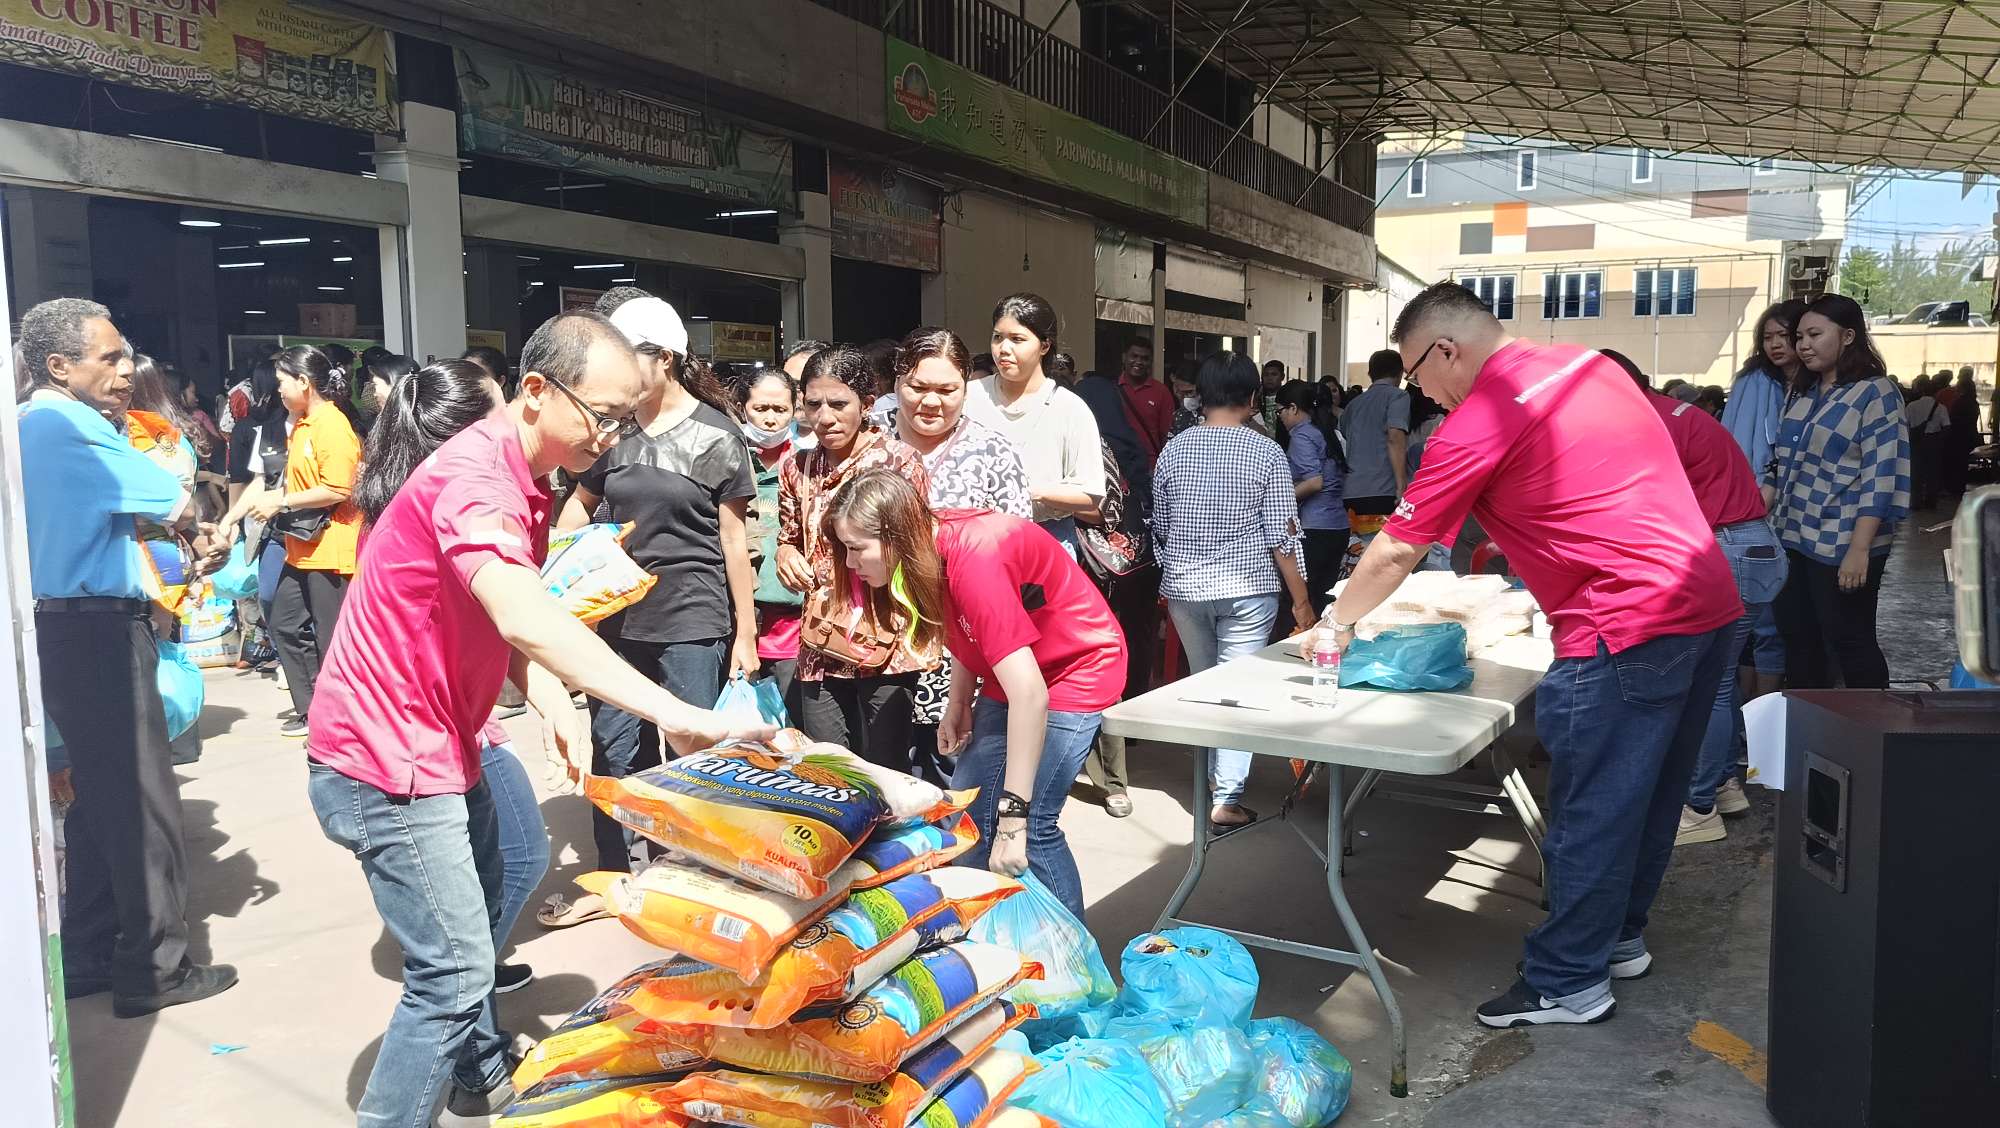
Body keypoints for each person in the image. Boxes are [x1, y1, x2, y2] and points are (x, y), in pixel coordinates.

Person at [306, 310, 773, 1125]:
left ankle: (478, 1069)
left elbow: (496, 618)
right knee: (453, 974)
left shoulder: (523, 477)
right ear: (535, 391)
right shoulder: (477, 480)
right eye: (603, 416)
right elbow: (522, 613)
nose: (613, 436)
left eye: (625, 418)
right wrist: (676, 712)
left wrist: (554, 697)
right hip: (388, 758)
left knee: (503, 882)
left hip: (439, 741)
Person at [1325, 282, 1741, 1028]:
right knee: (1648, 796)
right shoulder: (1591, 367)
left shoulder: (1480, 419)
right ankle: (1618, 939)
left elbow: (1394, 551)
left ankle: (1567, 979)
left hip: (1620, 623)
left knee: (1593, 809)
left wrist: (1335, 624)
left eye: (1417, 376)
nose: (1424, 395)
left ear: (1445, 350)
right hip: (1704, 598)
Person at [17, 297, 236, 1016]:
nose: (125, 370)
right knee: (143, 806)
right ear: (59, 366)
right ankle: (155, 969)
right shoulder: (67, 426)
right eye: (109, 358)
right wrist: (194, 525)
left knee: (100, 801)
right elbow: (168, 494)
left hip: (70, 629)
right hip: (98, 634)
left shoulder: (32, 424)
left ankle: (87, 952)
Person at [825, 469, 1125, 920]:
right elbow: (968, 626)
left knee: (1030, 827)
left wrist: (1013, 821)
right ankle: (981, 932)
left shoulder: (975, 558)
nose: (850, 563)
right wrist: (959, 701)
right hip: (1016, 672)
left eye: (855, 548)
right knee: (968, 815)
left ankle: (1073, 952)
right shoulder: (925, 547)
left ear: (894, 536)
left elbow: (1031, 695)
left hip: (1074, 668)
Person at [352, 357, 551, 994]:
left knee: (496, 866)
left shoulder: (415, 502)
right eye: (501, 412)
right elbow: (512, 619)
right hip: (427, 729)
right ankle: (466, 983)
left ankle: (470, 992)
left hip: (447, 719)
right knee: (519, 856)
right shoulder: (454, 503)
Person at [556, 296, 758, 889]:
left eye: (628, 359)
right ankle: (617, 872)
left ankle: (695, 871)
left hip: (692, 618)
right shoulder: (611, 432)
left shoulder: (717, 437)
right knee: (613, 744)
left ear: (665, 358)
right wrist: (565, 559)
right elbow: (579, 504)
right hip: (617, 619)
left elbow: (733, 541)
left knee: (691, 749)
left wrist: (745, 633)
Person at [1602, 349, 1788, 847]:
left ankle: (1698, 806)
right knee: (1719, 679)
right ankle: (1723, 785)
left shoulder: (1648, 425)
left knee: (1707, 685)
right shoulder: (1675, 413)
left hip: (1729, 550)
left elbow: (1639, 509)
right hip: (1751, 545)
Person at [1153, 352, 1313, 833]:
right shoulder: (1267, 453)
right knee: (1235, 692)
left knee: (1204, 684)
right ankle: (1225, 797)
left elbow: (1160, 526)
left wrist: (1177, 567)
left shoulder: (1173, 450)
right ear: (1252, 397)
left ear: (1201, 396)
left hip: (1185, 588)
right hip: (1247, 589)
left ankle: (1210, 781)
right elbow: (1283, 537)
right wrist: (1302, 603)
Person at [876, 327, 1032, 782]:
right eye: (918, 387)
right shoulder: (869, 443)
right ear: (897, 381)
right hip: (875, 642)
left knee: (953, 781)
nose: (931, 402)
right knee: (881, 780)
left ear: (966, 387)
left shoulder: (993, 452)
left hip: (959, 650)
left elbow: (1015, 554)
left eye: (947, 390)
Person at [777, 345, 932, 767]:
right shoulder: (796, 467)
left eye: (838, 404)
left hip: (885, 643)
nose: (825, 417)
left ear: (866, 404)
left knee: (886, 767)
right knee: (828, 768)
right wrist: (785, 553)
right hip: (820, 639)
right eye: (813, 404)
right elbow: (790, 535)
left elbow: (915, 550)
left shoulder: (900, 463)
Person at [1767, 294, 1910, 691]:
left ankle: (1870, 722)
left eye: (1814, 335)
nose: (1803, 345)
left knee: (1850, 641)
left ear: (1848, 336)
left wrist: (1860, 549)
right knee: (1799, 640)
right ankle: (1807, 723)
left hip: (1843, 541)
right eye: (1799, 337)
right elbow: (1779, 462)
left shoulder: (1875, 392)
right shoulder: (1802, 391)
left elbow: (1882, 474)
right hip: (1793, 536)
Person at [241, 346, 363, 738]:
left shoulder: (332, 425)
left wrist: (282, 501)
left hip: (330, 547)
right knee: (284, 623)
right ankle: (313, 710)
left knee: (331, 638)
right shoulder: (304, 423)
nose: (278, 390)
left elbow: (339, 488)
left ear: (304, 382)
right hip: (301, 545)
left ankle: (340, 721)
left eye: (282, 382)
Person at [963, 293, 1105, 556]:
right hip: (974, 539)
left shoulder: (1069, 409)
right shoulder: (969, 397)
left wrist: (1026, 491)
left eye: (1017, 339)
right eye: (997, 337)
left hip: (1048, 539)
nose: (1004, 348)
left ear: (1044, 346)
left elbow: (1091, 494)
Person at [1721, 299, 1805, 702]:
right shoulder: (1753, 381)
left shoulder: (1815, 387)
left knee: (1778, 619)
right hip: (1753, 507)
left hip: (1800, 514)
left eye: (1783, 336)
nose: (1775, 344)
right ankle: (1748, 711)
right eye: (1768, 336)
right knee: (1756, 615)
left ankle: (1763, 709)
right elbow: (1735, 443)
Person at [737, 365, 809, 718]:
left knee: (794, 725)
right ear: (743, 408)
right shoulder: (729, 458)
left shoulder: (806, 463)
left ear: (794, 409)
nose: (769, 419)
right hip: (739, 619)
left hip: (794, 624)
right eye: (760, 408)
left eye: (780, 409)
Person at [1276, 380, 1350, 616]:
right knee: (1323, 600)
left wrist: (1278, 501)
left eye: (1280, 411)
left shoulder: (1302, 436)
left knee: (1299, 600)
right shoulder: (1325, 431)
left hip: (1314, 528)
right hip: (1337, 526)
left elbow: (1314, 482)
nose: (1280, 417)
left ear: (1293, 408)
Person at [1340, 349, 1411, 517]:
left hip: (1351, 491)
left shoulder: (1353, 405)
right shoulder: (1398, 397)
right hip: (1384, 489)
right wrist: (1401, 485)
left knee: (1360, 535)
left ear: (1370, 373)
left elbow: (1345, 434)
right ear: (1400, 373)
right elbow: (1395, 437)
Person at [1115, 334, 1172, 462]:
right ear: (1124, 357)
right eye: (1134, 356)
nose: (1139, 362)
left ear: (1151, 362)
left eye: (1145, 358)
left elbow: (1166, 434)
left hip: (1150, 464)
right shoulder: (1112, 388)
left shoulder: (1161, 392)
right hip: (1119, 464)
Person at [1904, 373, 1948, 510]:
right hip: (1933, 441)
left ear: (1921, 390)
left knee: (1916, 472)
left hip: (1916, 441)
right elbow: (1947, 426)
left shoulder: (1911, 406)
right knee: (1932, 472)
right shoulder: (1940, 407)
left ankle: (1915, 501)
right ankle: (1930, 501)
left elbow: (1905, 424)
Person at [1944, 366, 1981, 496]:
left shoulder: (1960, 402)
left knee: (1955, 462)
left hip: (1957, 437)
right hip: (1969, 436)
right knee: (1962, 463)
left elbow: (1953, 419)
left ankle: (1954, 487)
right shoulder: (1974, 402)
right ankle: (1960, 487)